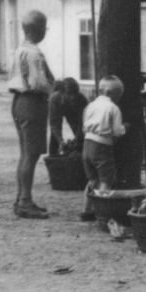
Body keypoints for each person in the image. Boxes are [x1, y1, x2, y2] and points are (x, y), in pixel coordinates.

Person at [6, 10, 56, 219]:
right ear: (39, 29)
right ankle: (25, 202)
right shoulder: (34, 53)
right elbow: (39, 83)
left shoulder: (20, 50)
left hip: (18, 101)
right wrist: (55, 86)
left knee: (25, 153)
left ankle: (21, 198)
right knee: (32, 154)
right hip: (32, 102)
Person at [79, 76, 129, 221]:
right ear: (117, 93)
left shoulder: (90, 106)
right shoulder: (113, 108)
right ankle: (102, 211)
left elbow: (84, 126)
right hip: (102, 146)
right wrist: (124, 127)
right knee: (106, 179)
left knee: (92, 179)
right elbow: (116, 132)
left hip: (87, 144)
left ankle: (86, 210)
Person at [48, 77, 88, 156]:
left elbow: (81, 123)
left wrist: (77, 138)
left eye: (75, 93)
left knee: (80, 136)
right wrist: (61, 141)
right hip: (60, 106)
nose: (73, 97)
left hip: (73, 112)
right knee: (55, 133)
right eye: (69, 94)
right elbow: (54, 124)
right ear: (62, 93)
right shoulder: (55, 98)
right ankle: (53, 155)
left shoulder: (82, 100)